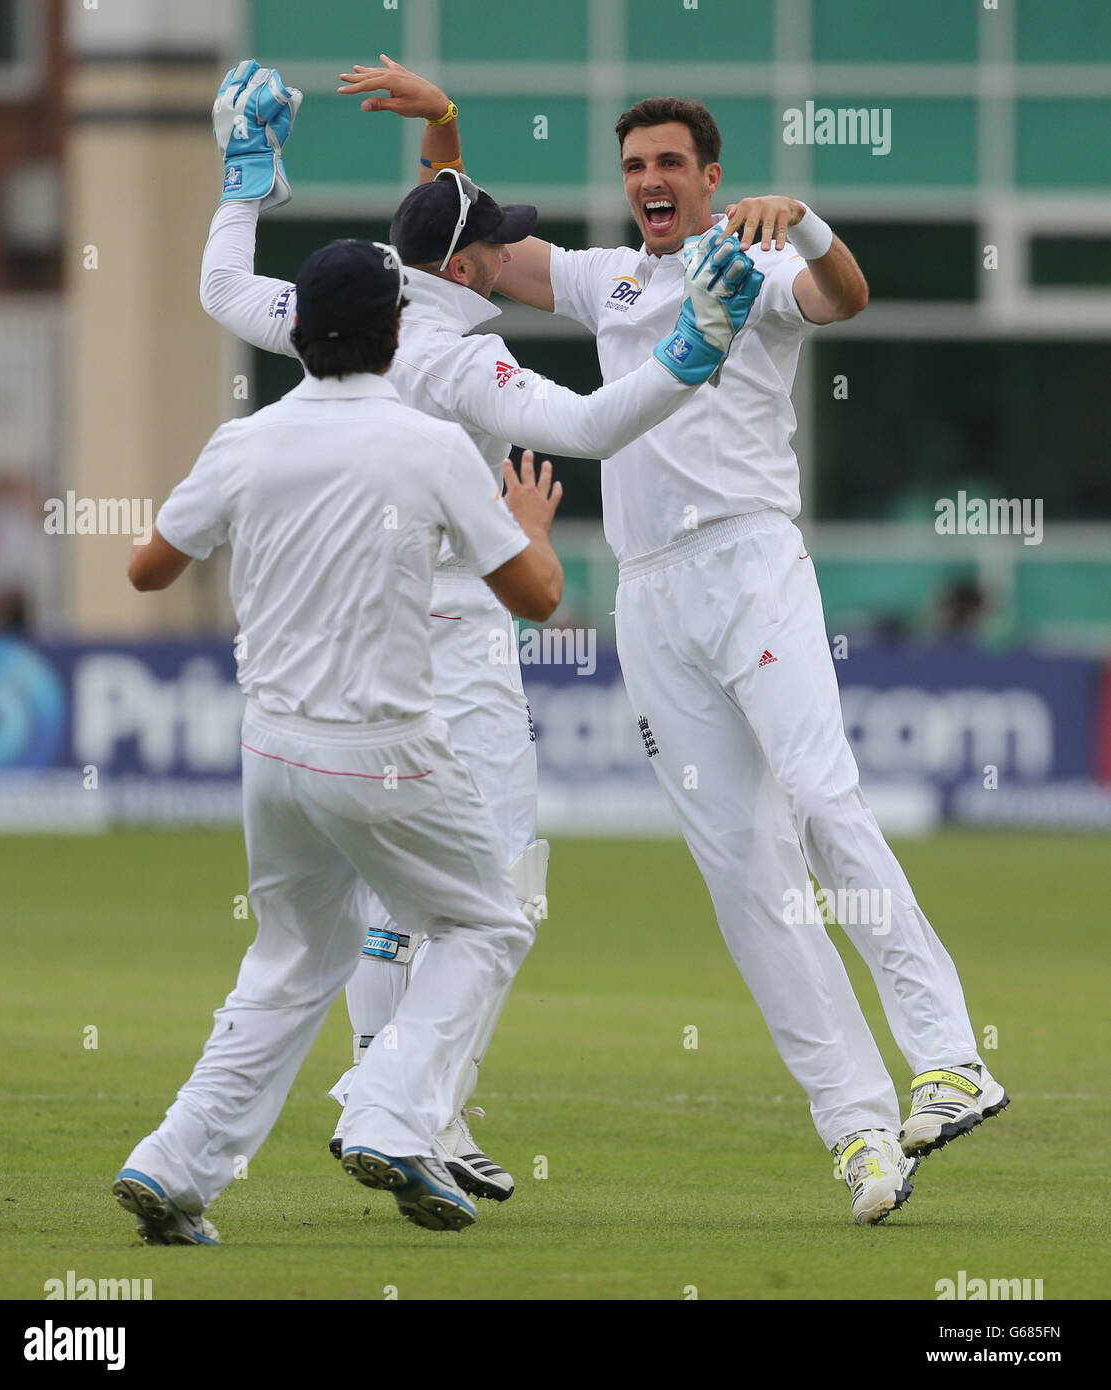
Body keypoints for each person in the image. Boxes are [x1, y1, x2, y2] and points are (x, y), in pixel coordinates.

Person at [337, 58, 1010, 1225]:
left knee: (820, 797)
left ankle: (950, 1055)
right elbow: (454, 247)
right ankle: (859, 1130)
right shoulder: (606, 280)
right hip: (650, 598)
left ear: (710, 179)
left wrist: (804, 218)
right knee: (747, 880)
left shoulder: (752, 261)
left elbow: (848, 296)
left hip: (753, 563)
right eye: (636, 167)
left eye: (669, 167)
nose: (651, 183)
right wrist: (442, 120)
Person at [200, 60, 763, 1202]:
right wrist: (693, 352)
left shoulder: (337, 308)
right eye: (496, 244)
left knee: (391, 903)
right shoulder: (461, 355)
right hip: (454, 650)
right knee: (492, 894)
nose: (513, 257)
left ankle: (396, 1093)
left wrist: (246, 180)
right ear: (462, 268)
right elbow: (598, 425)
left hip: (338, 658)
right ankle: (404, 1108)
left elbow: (223, 287)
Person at [113, 237, 566, 1242]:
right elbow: (536, 597)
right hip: (386, 748)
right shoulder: (431, 446)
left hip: (272, 755)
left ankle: (174, 1160)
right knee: (488, 922)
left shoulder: (246, 441)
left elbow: (147, 570)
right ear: (395, 331)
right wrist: (528, 524)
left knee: (291, 955)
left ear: (303, 332)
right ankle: (388, 1111)